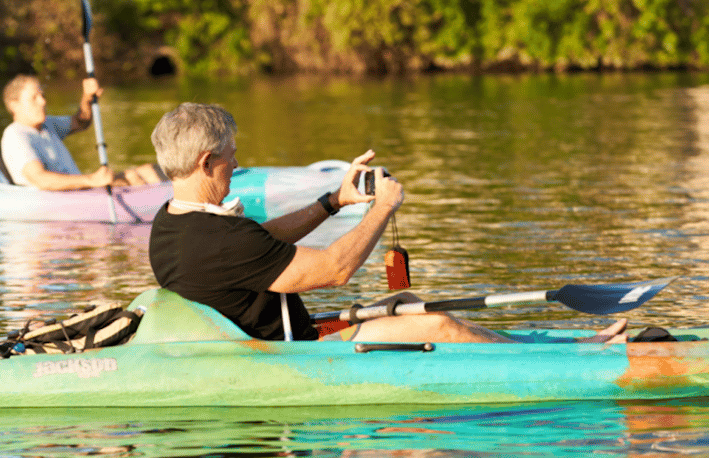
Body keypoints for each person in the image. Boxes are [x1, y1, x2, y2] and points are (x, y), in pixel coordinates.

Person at [148, 102, 628, 344]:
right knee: (435, 323)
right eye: (232, 158)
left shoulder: (170, 224)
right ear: (208, 161)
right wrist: (381, 208)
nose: (238, 165)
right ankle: (577, 355)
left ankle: (541, 346)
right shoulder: (218, 239)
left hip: (291, 337)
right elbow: (334, 271)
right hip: (294, 358)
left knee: (406, 301)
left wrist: (335, 200)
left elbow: (261, 242)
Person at [0, 74, 165, 191]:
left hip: (80, 191)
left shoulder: (47, 124)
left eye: (42, 95)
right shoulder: (16, 136)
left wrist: (87, 97)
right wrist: (91, 180)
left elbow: (81, 121)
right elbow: (40, 179)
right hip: (58, 201)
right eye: (34, 98)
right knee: (134, 179)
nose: (43, 101)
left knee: (151, 170)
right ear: (14, 105)